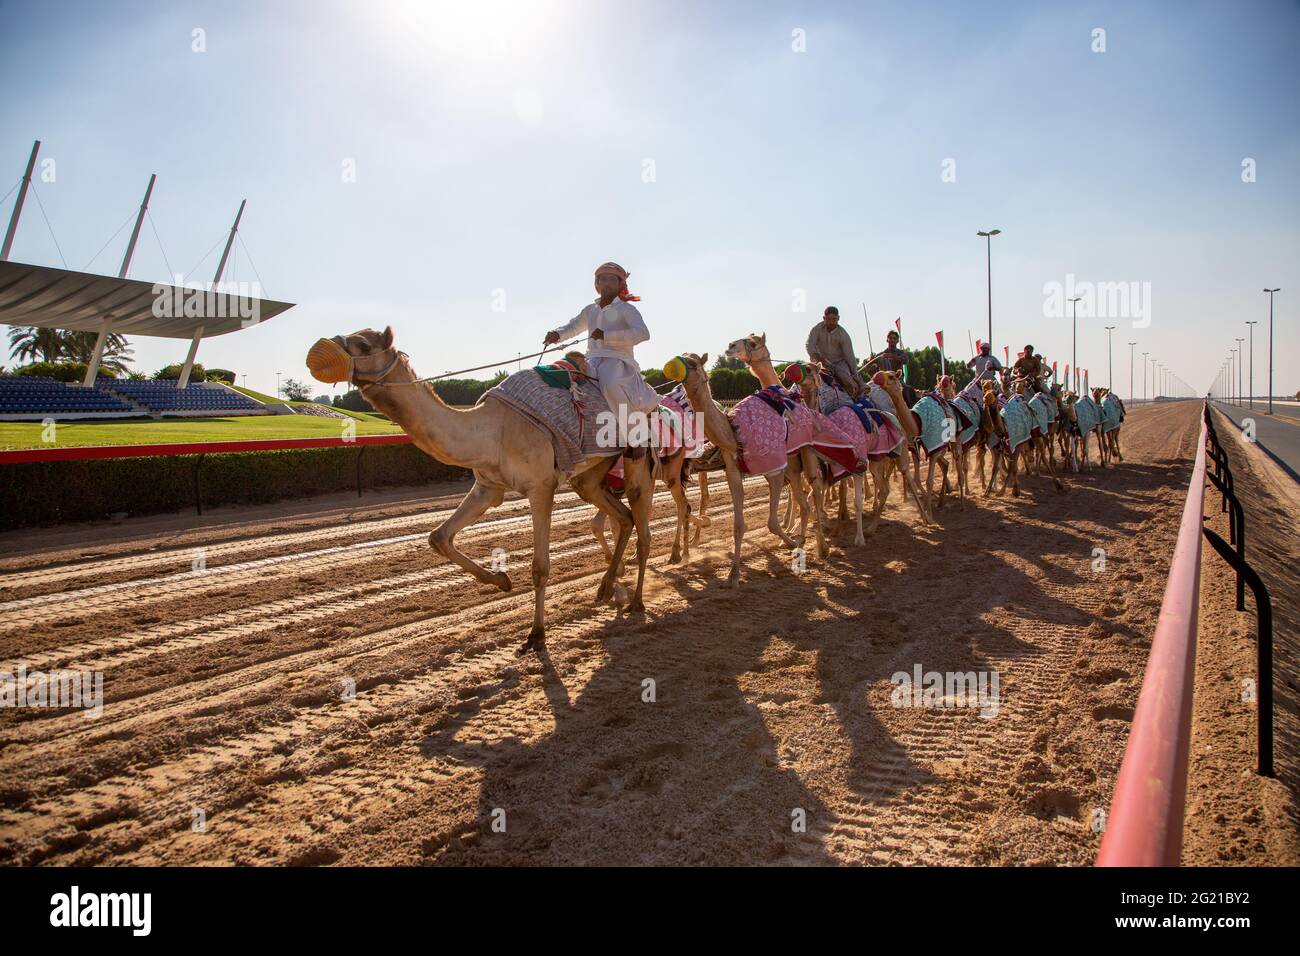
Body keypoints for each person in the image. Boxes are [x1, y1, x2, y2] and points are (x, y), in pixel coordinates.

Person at [544, 262, 660, 447]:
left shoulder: (627, 310)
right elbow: (573, 327)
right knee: (563, 376)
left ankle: (638, 437)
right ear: (596, 285)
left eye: (611, 279)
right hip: (590, 360)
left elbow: (642, 333)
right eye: (602, 279)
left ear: (620, 285)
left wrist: (608, 337)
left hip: (617, 361)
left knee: (610, 384)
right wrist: (557, 334)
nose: (606, 283)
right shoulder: (590, 310)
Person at [805, 305, 863, 397]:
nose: (831, 322)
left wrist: (854, 374)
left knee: (847, 380)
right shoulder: (817, 329)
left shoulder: (843, 334)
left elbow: (849, 356)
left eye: (834, 319)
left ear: (838, 318)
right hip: (819, 363)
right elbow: (809, 345)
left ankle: (853, 399)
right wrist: (818, 357)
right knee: (807, 378)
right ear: (824, 318)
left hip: (838, 363)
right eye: (828, 319)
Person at [863, 329, 917, 404]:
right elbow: (867, 366)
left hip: (896, 380)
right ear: (887, 340)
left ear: (897, 340)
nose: (892, 340)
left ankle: (909, 408)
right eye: (890, 338)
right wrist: (868, 360)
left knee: (907, 389)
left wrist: (892, 356)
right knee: (865, 390)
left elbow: (905, 360)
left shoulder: (901, 353)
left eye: (894, 338)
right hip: (881, 381)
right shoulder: (881, 354)